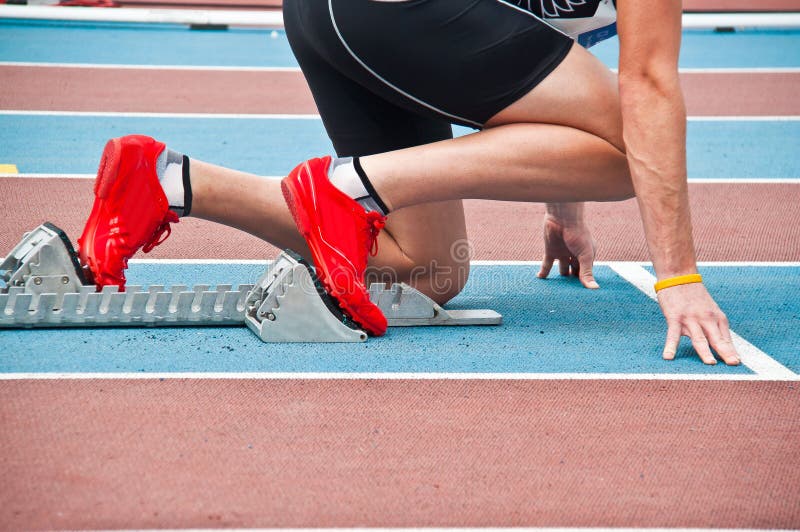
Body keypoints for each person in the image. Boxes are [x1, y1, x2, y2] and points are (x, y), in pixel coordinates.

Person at [77, 0, 740, 365]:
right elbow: (647, 90)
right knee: (635, 149)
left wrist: (565, 214)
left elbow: (554, 59)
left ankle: (167, 183)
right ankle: (351, 187)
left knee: (427, 269)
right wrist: (678, 278)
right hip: (391, 14)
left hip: (330, 16)